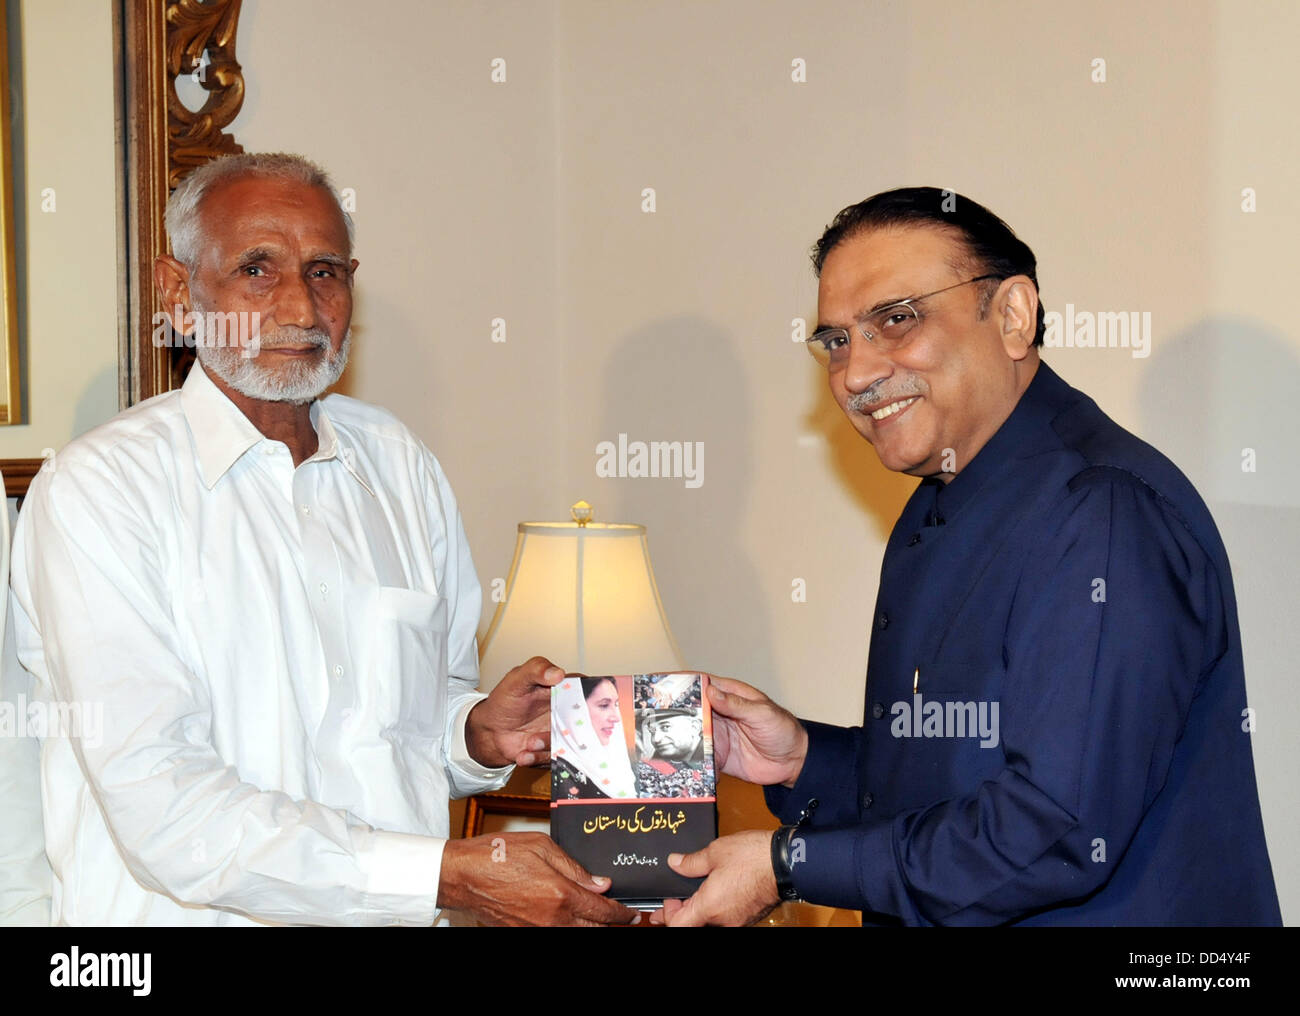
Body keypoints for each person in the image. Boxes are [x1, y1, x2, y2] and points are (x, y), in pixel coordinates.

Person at [6, 152, 635, 928]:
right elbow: (166, 808)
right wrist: (445, 875)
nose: (302, 309)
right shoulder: (101, 491)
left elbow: (407, 727)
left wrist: (473, 731)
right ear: (178, 293)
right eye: (258, 270)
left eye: (326, 271)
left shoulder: (400, 466)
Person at [656, 187, 1282, 926]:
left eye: (896, 319)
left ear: (1013, 317)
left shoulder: (1103, 512)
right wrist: (801, 759)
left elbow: (1054, 826)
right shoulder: (941, 503)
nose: (855, 374)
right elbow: (958, 770)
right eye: (835, 340)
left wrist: (789, 866)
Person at [551, 677, 637, 800]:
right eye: (604, 705)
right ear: (574, 709)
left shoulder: (611, 762)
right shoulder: (557, 771)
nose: (616, 717)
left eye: (616, 704)